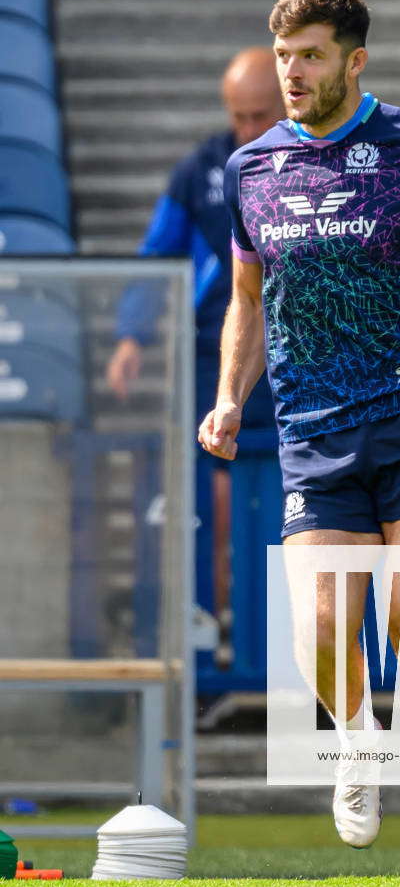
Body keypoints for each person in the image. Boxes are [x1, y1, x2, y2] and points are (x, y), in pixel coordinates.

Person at [198, 0, 400, 877]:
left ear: (352, 60)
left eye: (308, 55)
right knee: (330, 623)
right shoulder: (249, 170)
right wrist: (230, 396)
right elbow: (248, 299)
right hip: (312, 430)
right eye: (281, 54)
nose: (290, 72)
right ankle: (355, 737)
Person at [106, 47, 283, 620]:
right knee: (219, 510)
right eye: (240, 117)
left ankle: (283, 653)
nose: (248, 129)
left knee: (294, 517)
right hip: (217, 365)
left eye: (261, 115)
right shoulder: (201, 171)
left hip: (297, 366)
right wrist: (132, 336)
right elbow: (159, 253)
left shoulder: (320, 165)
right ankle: (223, 643)